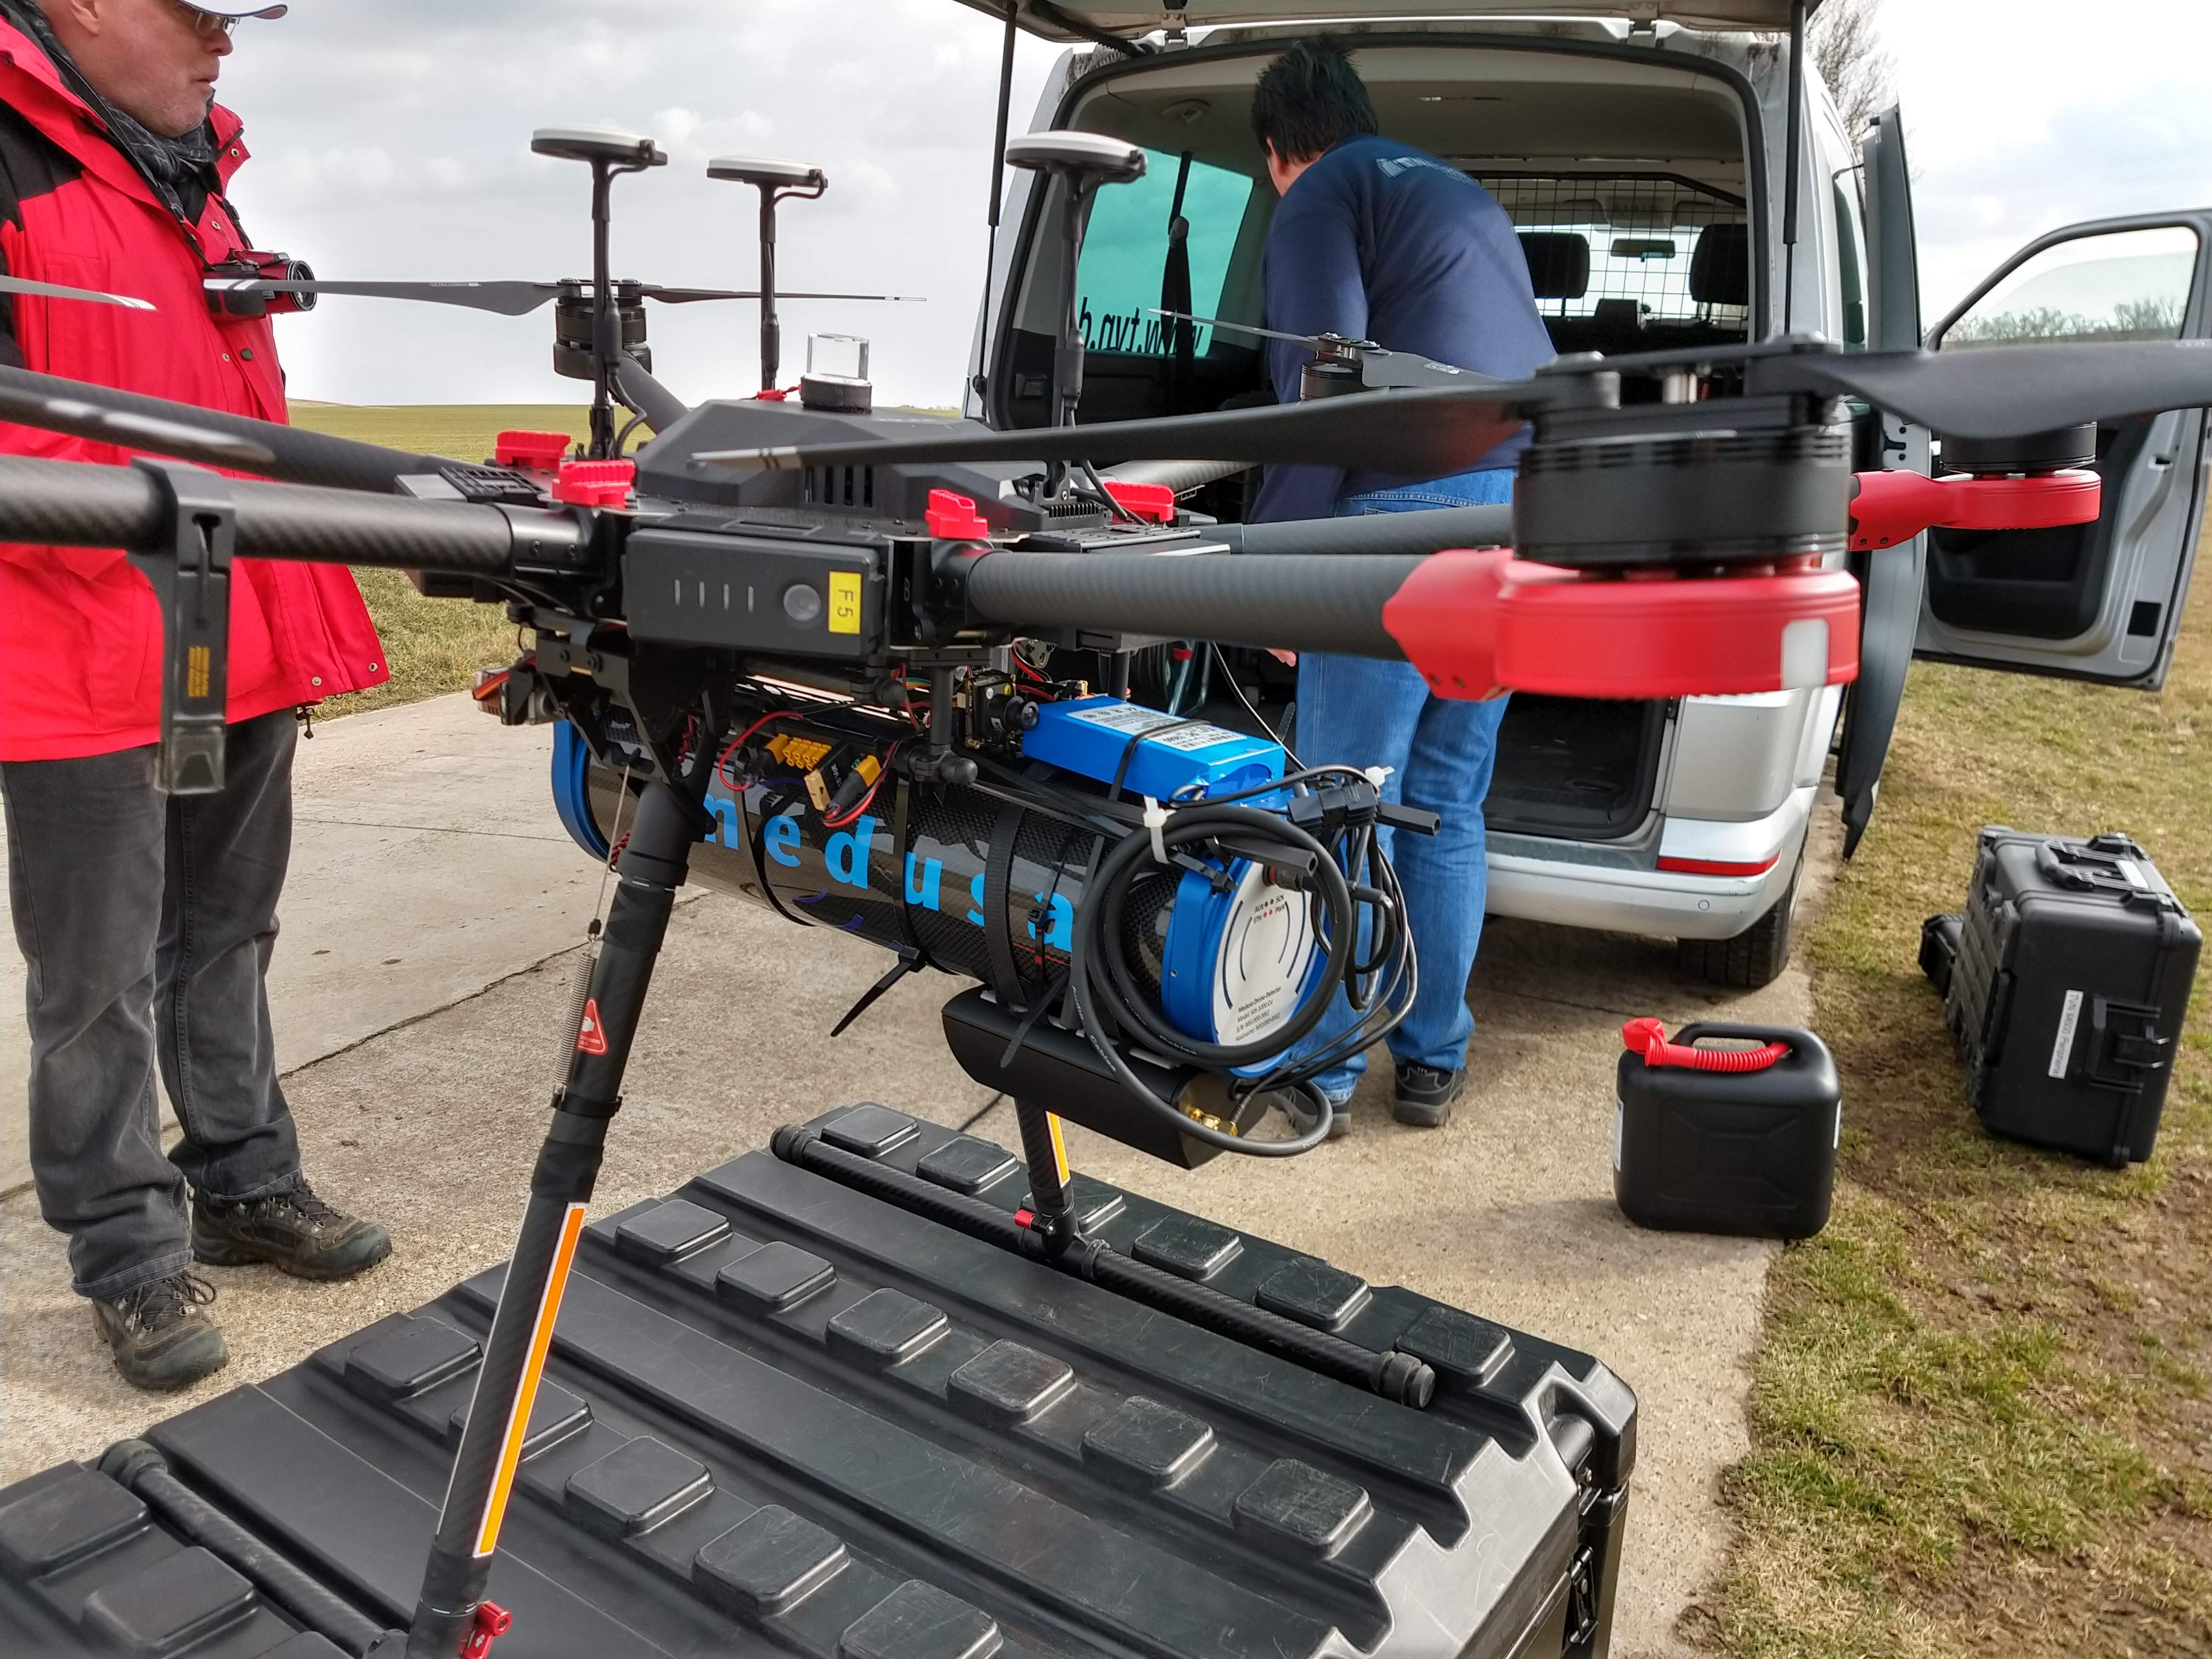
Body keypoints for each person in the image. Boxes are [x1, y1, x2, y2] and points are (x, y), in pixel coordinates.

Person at [0, 0, 394, 1391]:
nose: (223, 46)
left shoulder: (192, 170)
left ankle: (241, 1180)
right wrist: (150, 489)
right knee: (91, 980)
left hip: (230, 619)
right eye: (196, 14)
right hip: (71, 637)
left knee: (227, 930)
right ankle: (127, 1259)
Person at [1249, 38, 1553, 1131]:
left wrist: (1278, 571)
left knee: (1343, 801)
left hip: (1398, 523)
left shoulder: (1318, 194)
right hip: (1512, 525)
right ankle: (1431, 1060)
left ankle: (1323, 1072)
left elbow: (1321, 379)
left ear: (1281, 151)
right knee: (1445, 802)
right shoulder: (1462, 199)